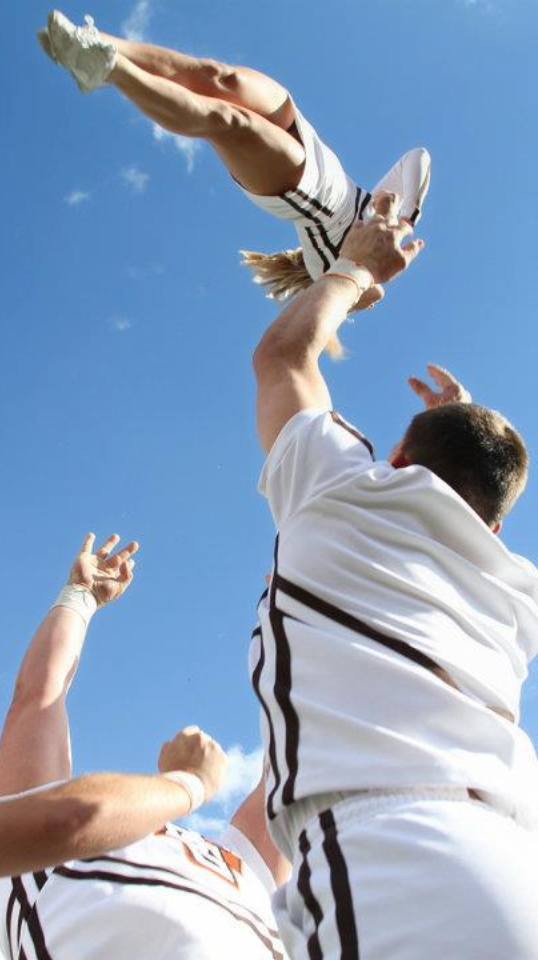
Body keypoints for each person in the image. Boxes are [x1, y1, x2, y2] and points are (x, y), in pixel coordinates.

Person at [249, 198, 538, 958]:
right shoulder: (515, 587)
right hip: (517, 859)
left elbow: (285, 357)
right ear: (495, 524)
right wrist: (472, 430)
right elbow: (471, 487)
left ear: (399, 459)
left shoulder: (344, 489)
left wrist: (355, 269)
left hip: (395, 854)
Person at [0, 533, 227, 960]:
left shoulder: (245, 875)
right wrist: (191, 784)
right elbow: (67, 817)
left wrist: (81, 596)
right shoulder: (37, 859)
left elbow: (39, 697)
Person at [36, 10, 431, 355]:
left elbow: (359, 294)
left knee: (227, 121)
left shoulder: (331, 263)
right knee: (214, 76)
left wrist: (369, 275)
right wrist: (404, 215)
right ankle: (92, 41)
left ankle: (107, 67)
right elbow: (418, 159)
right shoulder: (380, 215)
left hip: (303, 189)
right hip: (303, 131)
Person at [0, 531, 290, 960]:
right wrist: (79, 597)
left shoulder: (236, 867)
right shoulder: (42, 848)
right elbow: (37, 698)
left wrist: (295, 609)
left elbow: (297, 750)